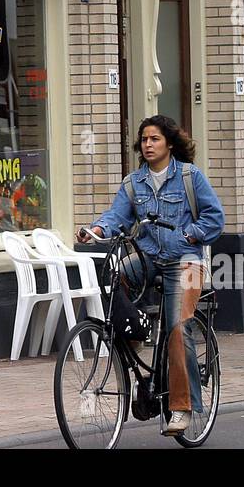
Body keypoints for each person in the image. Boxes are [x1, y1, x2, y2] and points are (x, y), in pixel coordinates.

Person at [78, 115, 225, 434]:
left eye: (155, 139)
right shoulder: (133, 183)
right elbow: (117, 215)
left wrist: (190, 235)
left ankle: (182, 407)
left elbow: (215, 218)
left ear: (169, 143)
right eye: (144, 139)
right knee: (113, 278)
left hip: (186, 261)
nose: (148, 144)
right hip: (147, 258)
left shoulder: (190, 176)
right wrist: (97, 230)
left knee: (177, 328)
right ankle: (134, 337)